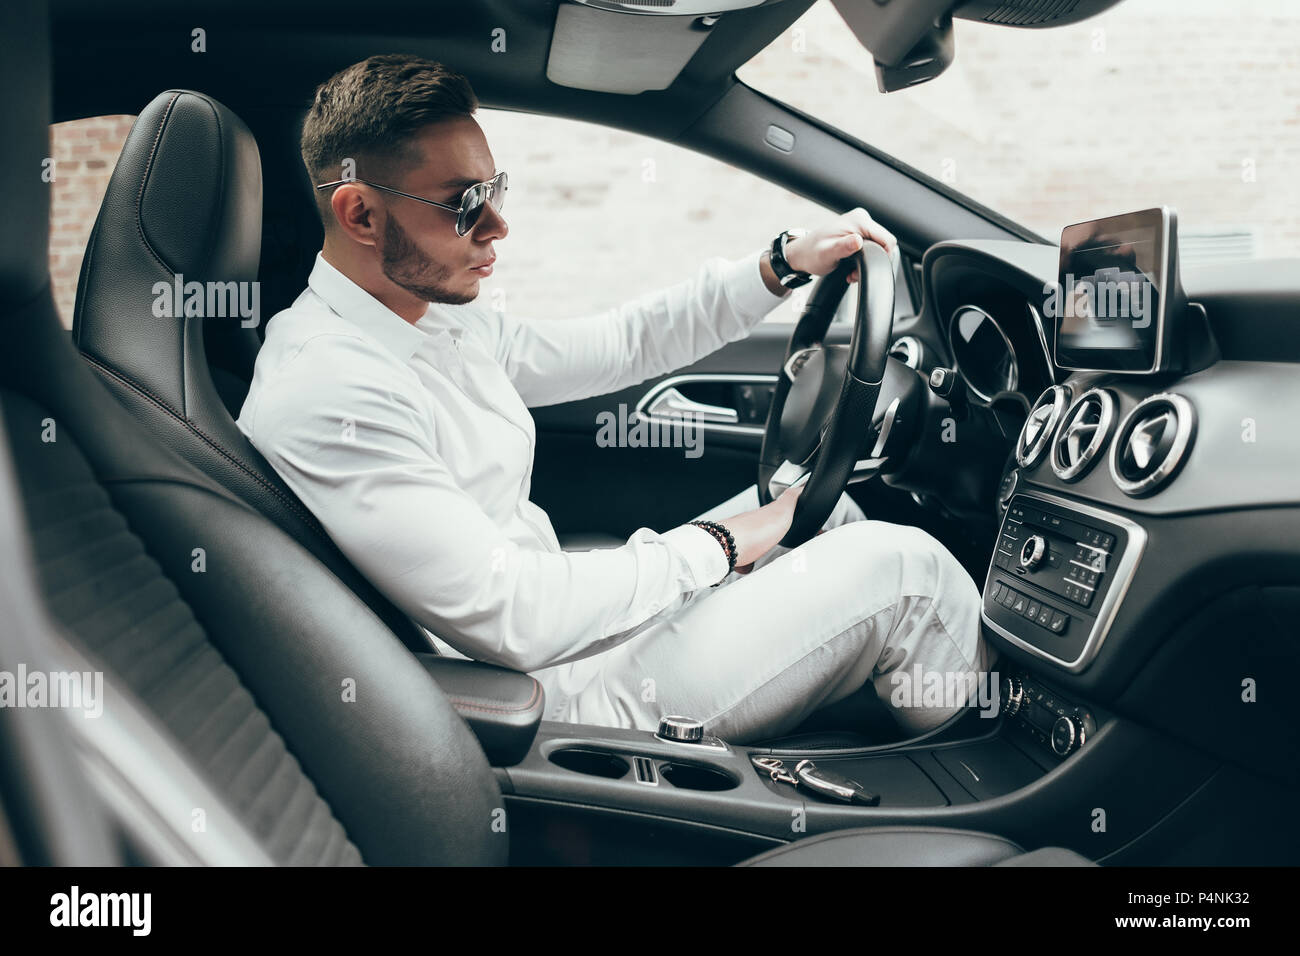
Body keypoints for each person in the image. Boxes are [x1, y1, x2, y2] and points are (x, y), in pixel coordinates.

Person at [236, 54, 991, 744]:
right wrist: (726, 546)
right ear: (361, 215)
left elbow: (623, 344)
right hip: (556, 698)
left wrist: (781, 263)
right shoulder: (331, 390)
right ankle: (1020, 786)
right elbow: (516, 614)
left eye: (495, 189)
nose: (499, 225)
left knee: (831, 516)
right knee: (908, 573)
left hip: (576, 639)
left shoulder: (429, 320)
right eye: (465, 202)